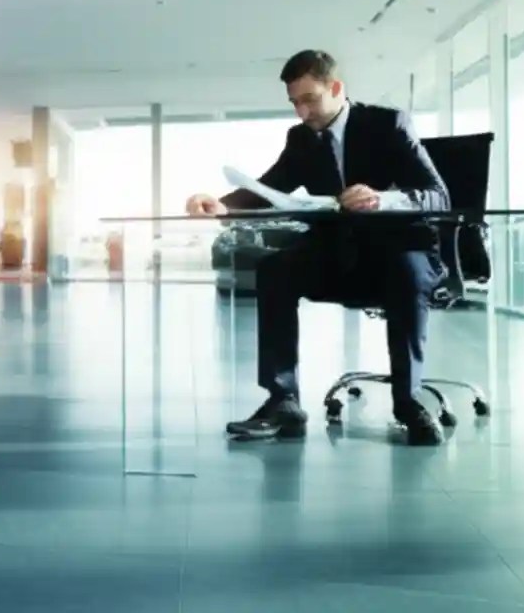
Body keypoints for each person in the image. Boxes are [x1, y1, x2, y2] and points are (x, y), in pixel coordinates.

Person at [186, 50, 449, 446]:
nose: (302, 112)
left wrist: (381, 198)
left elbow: (437, 195)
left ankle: (408, 403)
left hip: (397, 247)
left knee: (406, 274)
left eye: (309, 99)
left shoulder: (387, 123)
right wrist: (222, 206)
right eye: (295, 102)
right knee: (274, 271)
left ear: (336, 88)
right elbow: (271, 185)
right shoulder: (301, 138)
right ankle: (283, 402)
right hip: (338, 252)